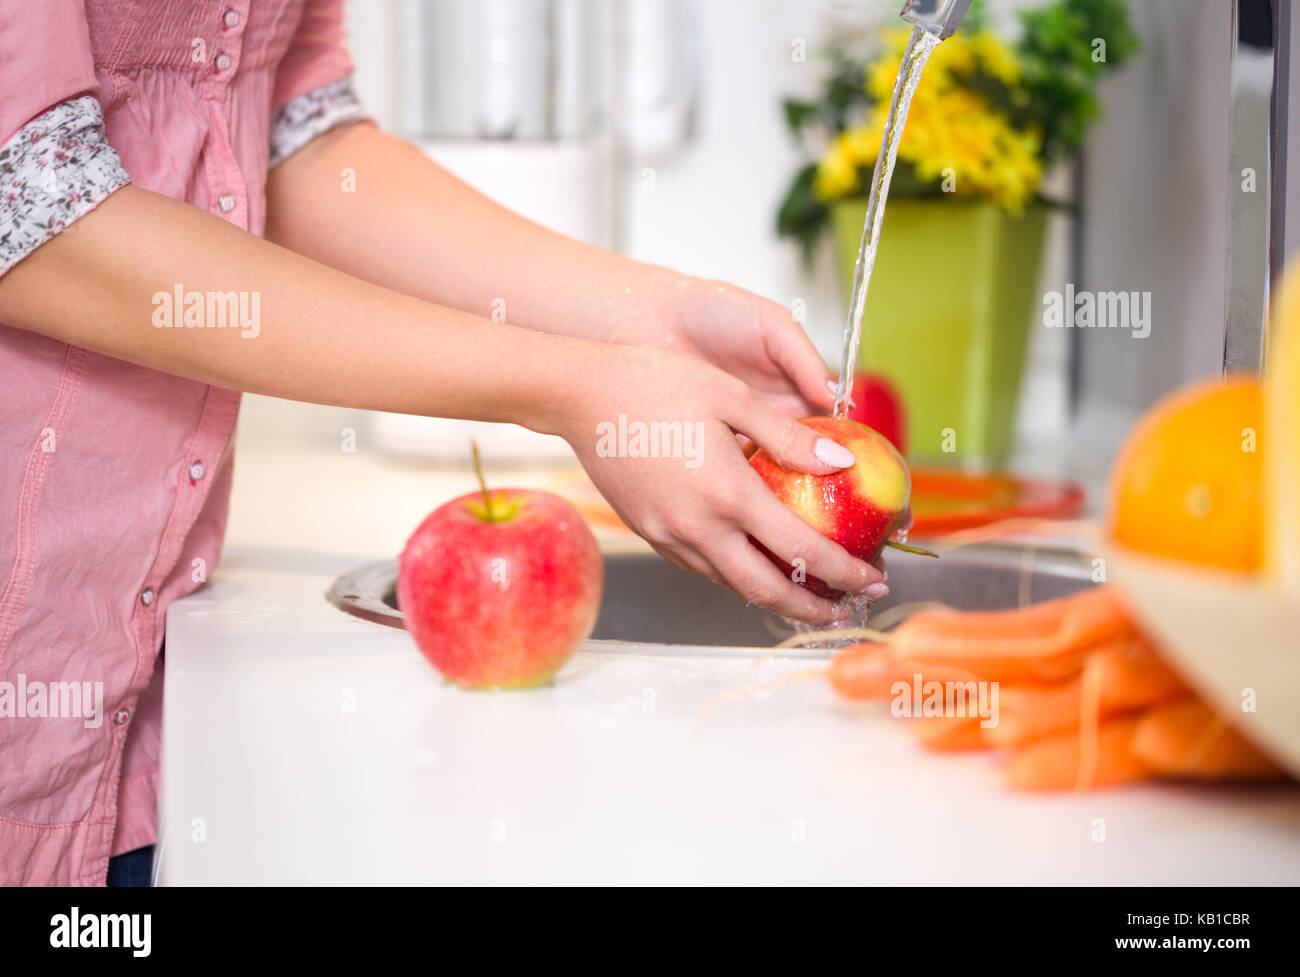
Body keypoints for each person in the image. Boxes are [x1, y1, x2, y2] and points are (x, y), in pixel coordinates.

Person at [0, 0, 887, 885]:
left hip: (130, 699)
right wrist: (568, 384)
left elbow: (298, 143)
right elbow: (32, 210)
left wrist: (642, 317)